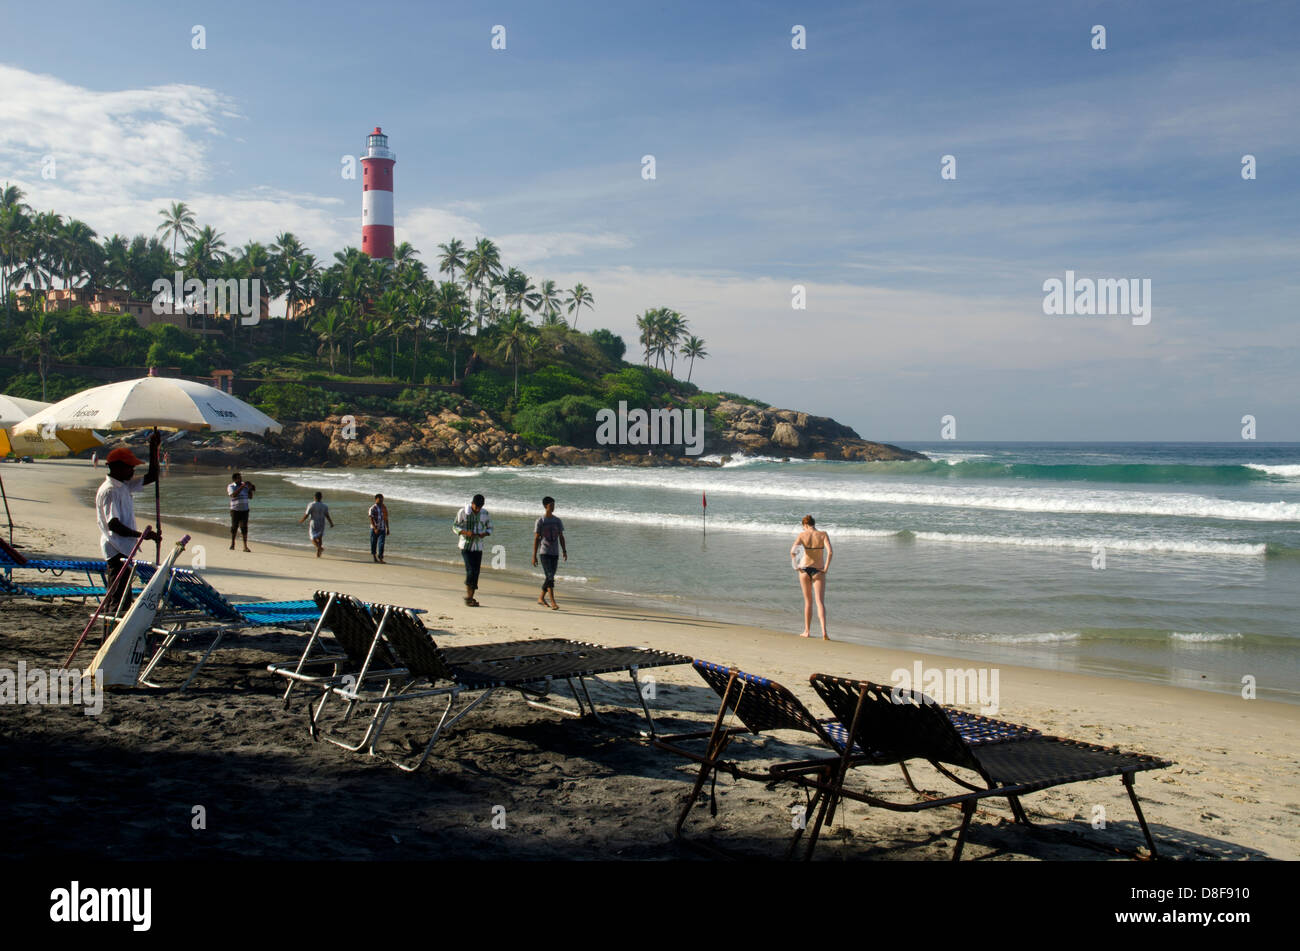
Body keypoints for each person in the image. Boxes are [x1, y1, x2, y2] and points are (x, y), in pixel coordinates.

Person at [95, 435, 161, 613]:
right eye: (129, 467)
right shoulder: (110, 491)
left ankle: (113, 631)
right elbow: (114, 525)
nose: (132, 470)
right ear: (116, 467)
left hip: (124, 548)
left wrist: (154, 448)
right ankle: (112, 635)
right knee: (118, 598)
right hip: (116, 548)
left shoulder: (123, 486)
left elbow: (153, 476)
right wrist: (142, 535)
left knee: (122, 594)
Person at [791, 514, 832, 640]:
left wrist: (796, 565)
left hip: (804, 569)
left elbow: (792, 551)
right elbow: (830, 552)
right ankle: (824, 632)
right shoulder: (823, 534)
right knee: (820, 602)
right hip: (818, 570)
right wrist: (826, 567)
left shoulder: (802, 535)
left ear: (805, 525)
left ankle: (807, 631)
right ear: (814, 523)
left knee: (808, 602)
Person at [453, 493, 492, 606]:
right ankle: (469, 597)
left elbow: (490, 527)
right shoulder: (462, 512)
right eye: (476, 507)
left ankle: (471, 597)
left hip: (478, 546)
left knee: (476, 572)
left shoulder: (485, 513)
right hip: (465, 545)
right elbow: (455, 526)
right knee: (470, 571)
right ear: (472, 504)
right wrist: (465, 532)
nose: (477, 510)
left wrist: (485, 533)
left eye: (479, 508)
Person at [531, 496, 567, 610]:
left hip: (555, 553)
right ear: (546, 506)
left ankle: (541, 598)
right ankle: (553, 602)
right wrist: (534, 556)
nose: (553, 507)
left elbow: (561, 536)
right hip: (544, 552)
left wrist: (564, 551)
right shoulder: (540, 521)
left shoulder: (557, 520)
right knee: (550, 576)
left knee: (549, 577)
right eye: (551, 505)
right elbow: (536, 538)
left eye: (554, 505)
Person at [299, 491, 334, 558]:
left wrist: (302, 520)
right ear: (321, 497)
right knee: (319, 537)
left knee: (312, 538)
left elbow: (307, 514)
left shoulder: (311, 505)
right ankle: (318, 553)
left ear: (314, 497)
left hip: (314, 523)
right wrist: (331, 523)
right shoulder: (325, 506)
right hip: (322, 523)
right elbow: (327, 515)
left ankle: (319, 548)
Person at [227, 472, 255, 551]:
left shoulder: (245, 486)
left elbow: (250, 497)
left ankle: (245, 546)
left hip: (245, 510)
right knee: (234, 528)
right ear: (235, 479)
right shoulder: (231, 486)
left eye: (241, 478)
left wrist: (249, 489)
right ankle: (233, 544)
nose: (241, 479)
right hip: (235, 510)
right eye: (239, 478)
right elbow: (233, 495)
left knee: (244, 528)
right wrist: (242, 487)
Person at [368, 494, 389, 563]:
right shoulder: (372, 508)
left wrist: (387, 528)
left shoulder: (384, 508)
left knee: (381, 543)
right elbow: (371, 519)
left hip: (382, 528)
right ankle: (374, 557)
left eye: (382, 499)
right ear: (376, 499)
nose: (381, 501)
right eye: (380, 500)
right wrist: (375, 528)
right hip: (374, 529)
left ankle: (380, 557)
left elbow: (386, 519)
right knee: (373, 543)